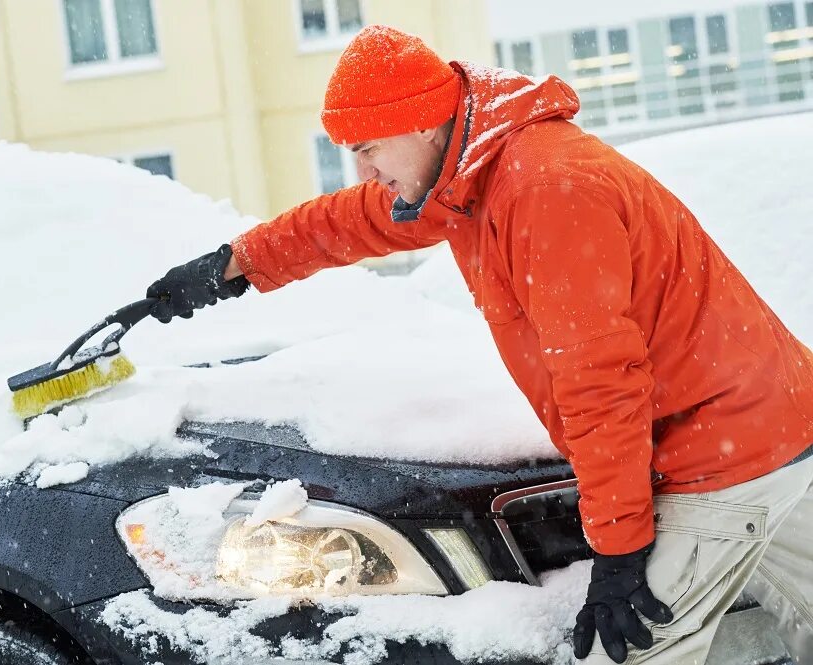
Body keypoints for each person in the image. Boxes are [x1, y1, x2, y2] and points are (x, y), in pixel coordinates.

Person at [145, 24, 813, 665]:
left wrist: (619, 553)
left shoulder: (546, 189)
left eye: (370, 147)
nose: (363, 166)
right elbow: (351, 221)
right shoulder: (472, 176)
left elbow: (599, 384)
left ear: (423, 124)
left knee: (628, 650)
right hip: (778, 421)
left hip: (722, 449)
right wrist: (234, 264)